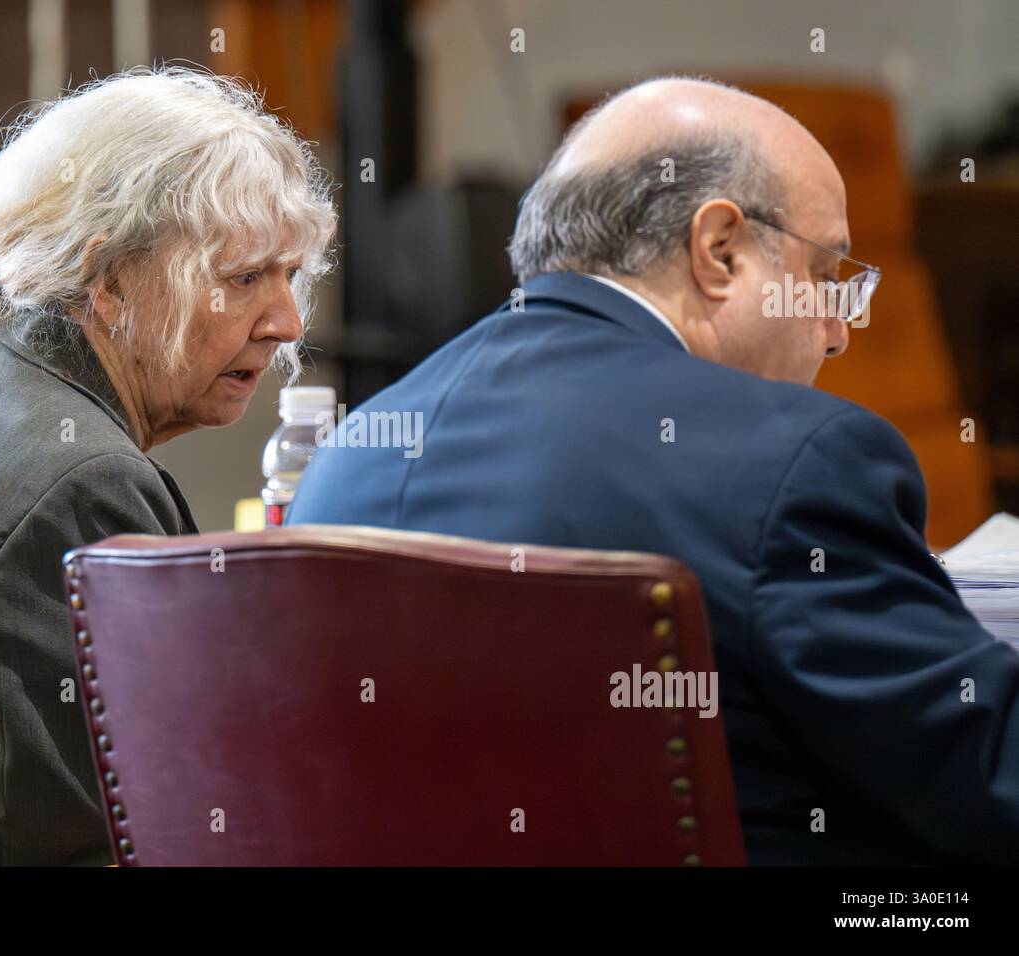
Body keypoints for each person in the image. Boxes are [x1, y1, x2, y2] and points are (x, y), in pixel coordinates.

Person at [287, 75, 1019, 864]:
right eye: (824, 275)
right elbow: (995, 784)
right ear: (721, 250)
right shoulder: (795, 463)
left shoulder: (349, 454)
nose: (838, 331)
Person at [0, 67, 336, 865]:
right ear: (110, 281)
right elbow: (95, 846)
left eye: (291, 276)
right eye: (244, 278)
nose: (286, 322)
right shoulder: (80, 483)